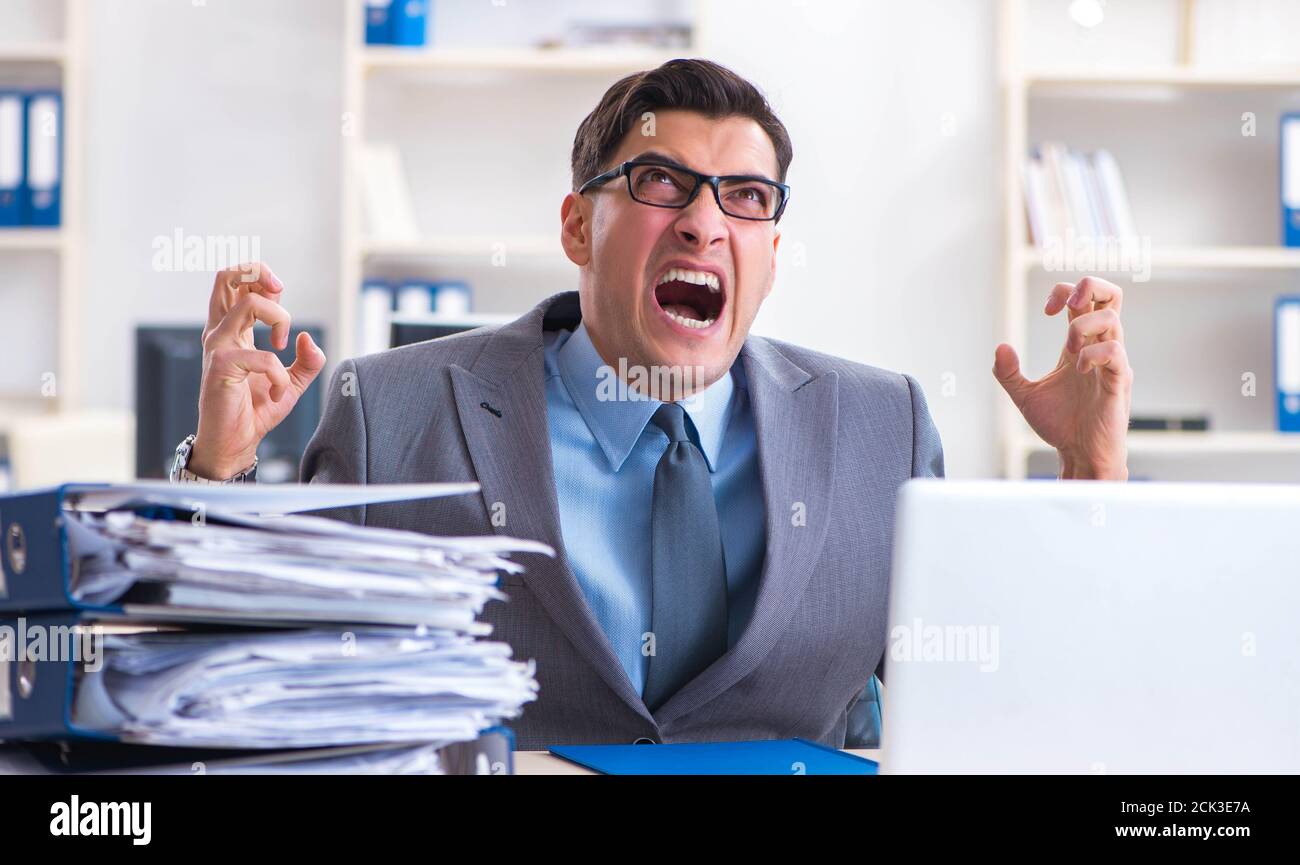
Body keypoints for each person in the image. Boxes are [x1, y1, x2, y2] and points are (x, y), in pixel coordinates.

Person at [173, 59, 1132, 750]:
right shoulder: (395, 411)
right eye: (662, 182)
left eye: (747, 196)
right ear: (578, 225)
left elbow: (999, 724)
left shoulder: (884, 427)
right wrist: (221, 475)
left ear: (772, 248)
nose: (706, 222)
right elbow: (256, 708)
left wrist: (1092, 479)